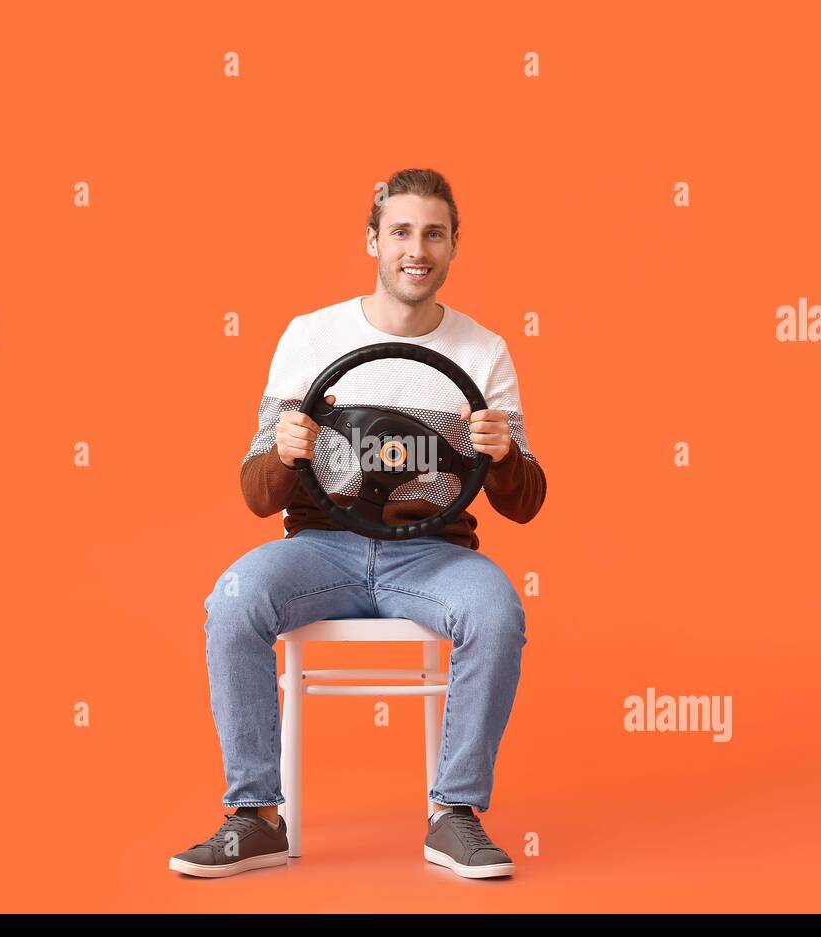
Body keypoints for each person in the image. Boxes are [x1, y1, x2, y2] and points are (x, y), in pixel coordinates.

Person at [170, 168, 546, 879]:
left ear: (454, 246)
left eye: (434, 233)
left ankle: (454, 815)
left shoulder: (485, 351)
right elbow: (257, 493)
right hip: (321, 550)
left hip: (434, 557)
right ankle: (255, 817)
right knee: (232, 598)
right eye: (401, 231)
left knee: (496, 608)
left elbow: (524, 503)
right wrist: (285, 453)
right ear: (372, 240)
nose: (417, 248)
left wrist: (503, 457)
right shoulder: (310, 337)